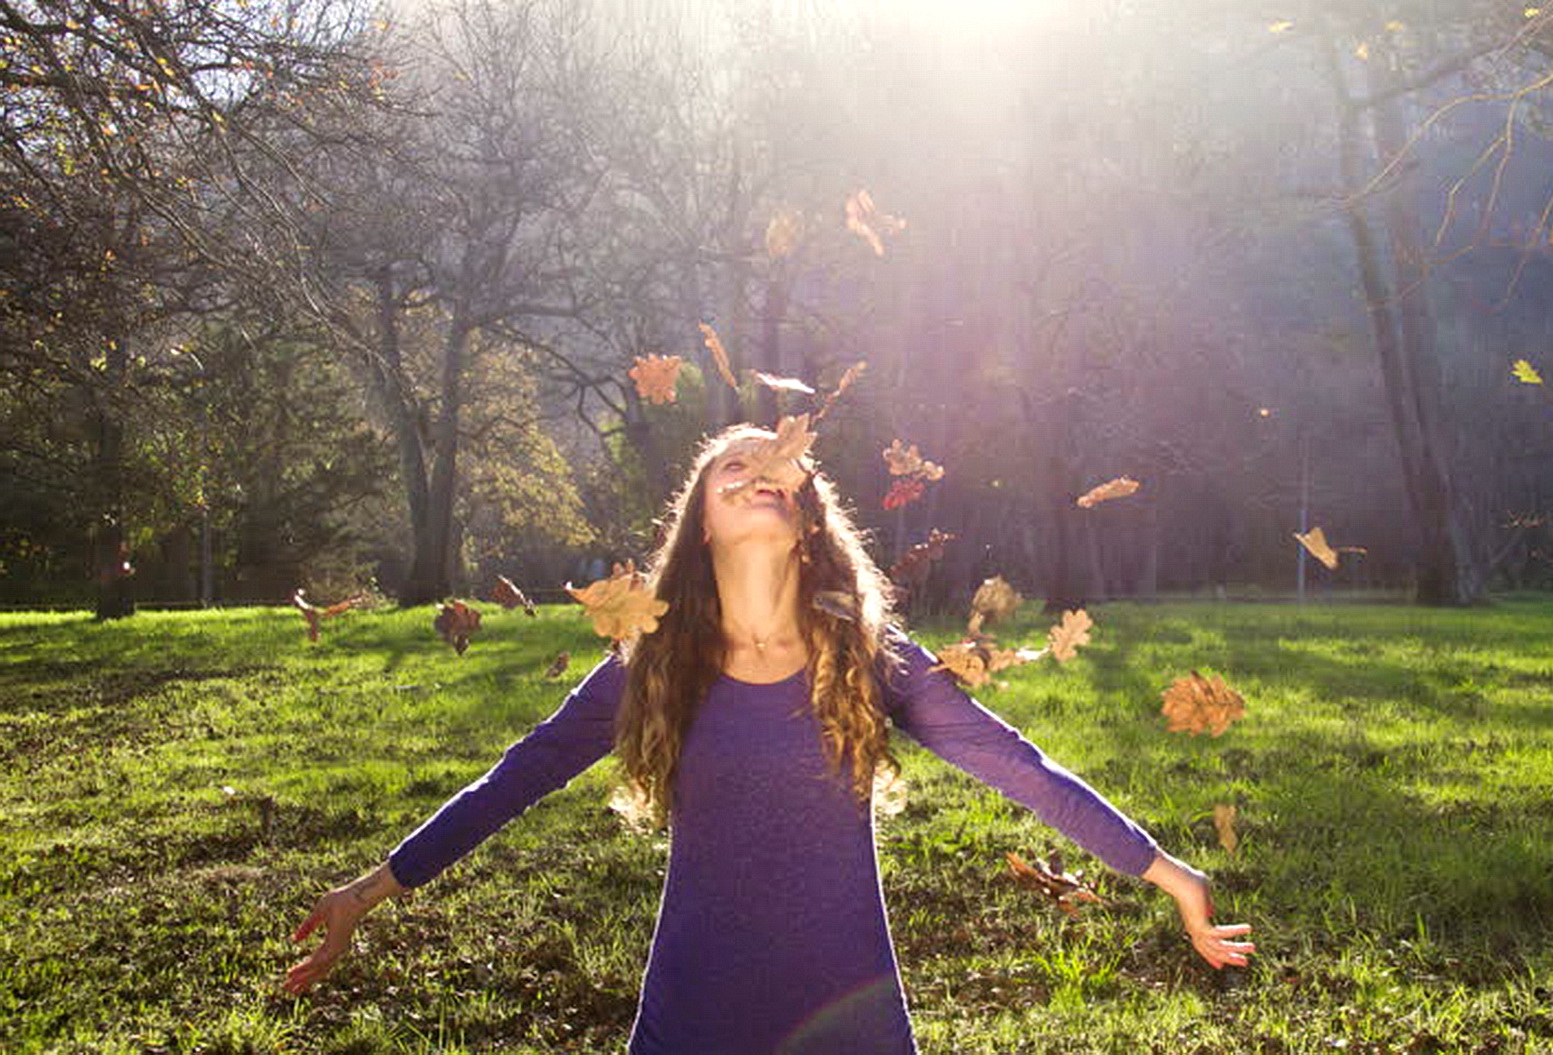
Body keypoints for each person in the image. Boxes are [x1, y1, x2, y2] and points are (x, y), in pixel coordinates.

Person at [283, 423, 1254, 1053]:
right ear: (700, 525)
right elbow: (519, 773)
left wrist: (1164, 870)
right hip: (692, 1012)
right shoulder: (651, 661)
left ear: (806, 521)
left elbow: (1016, 763)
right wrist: (367, 891)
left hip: (854, 1020)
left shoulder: (870, 655)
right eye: (732, 469)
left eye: (777, 468)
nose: (758, 476)